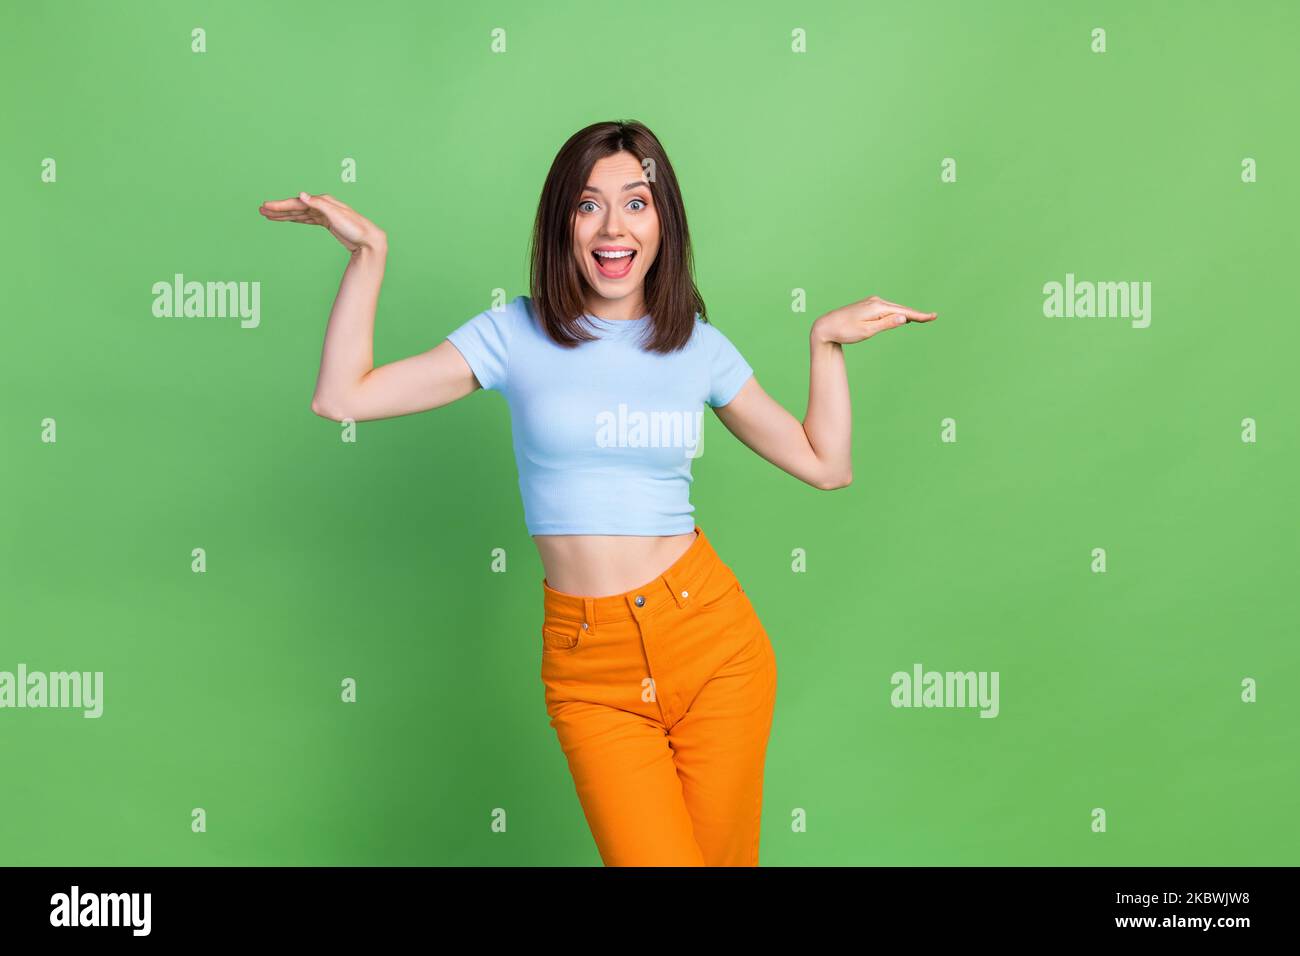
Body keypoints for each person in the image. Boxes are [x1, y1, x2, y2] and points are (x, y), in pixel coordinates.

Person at [258, 119, 937, 866]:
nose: (614, 227)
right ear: (562, 224)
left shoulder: (696, 346)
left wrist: (826, 345)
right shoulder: (513, 334)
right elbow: (343, 396)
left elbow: (824, 463)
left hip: (712, 644)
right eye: (589, 205)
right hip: (591, 669)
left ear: (663, 221)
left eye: (636, 203)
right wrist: (368, 256)